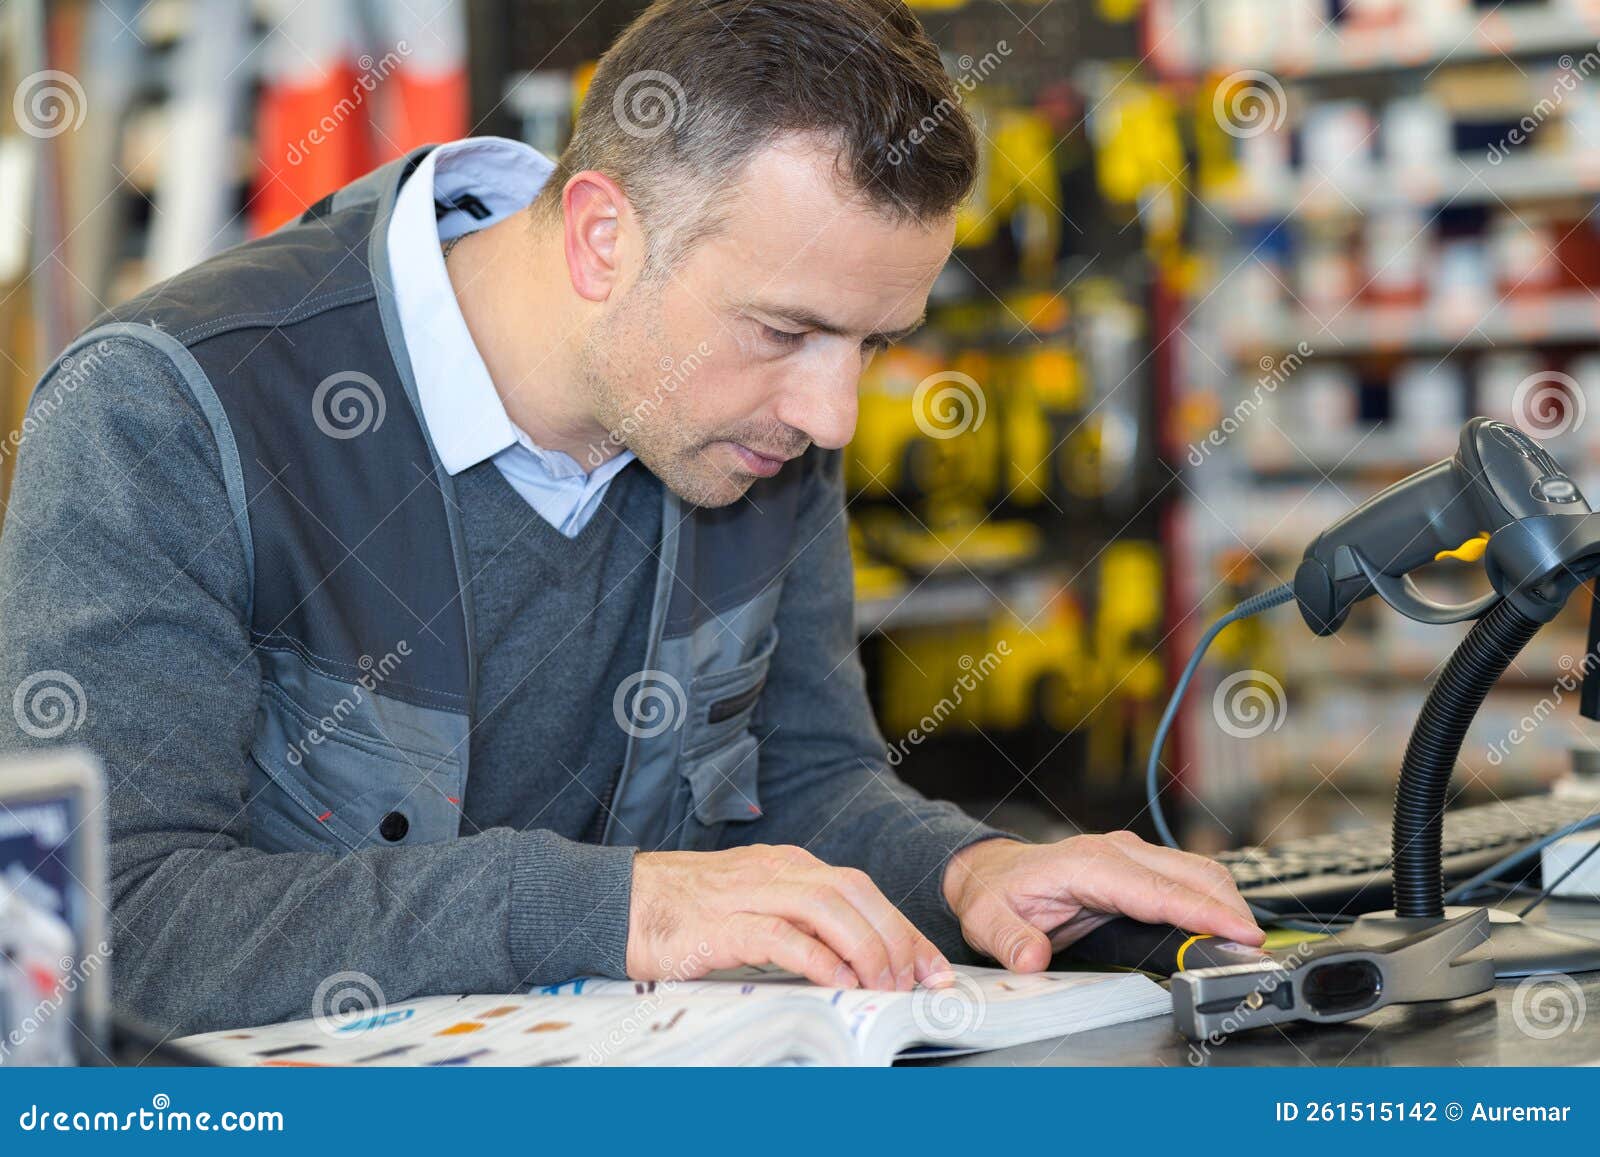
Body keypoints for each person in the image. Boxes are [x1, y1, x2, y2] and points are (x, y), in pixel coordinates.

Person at [0, 0, 1260, 1035]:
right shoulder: (170, 409)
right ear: (603, 235)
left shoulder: (749, 426)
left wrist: (961, 871)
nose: (831, 414)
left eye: (873, 343)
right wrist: (611, 906)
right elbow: (109, 924)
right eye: (786, 330)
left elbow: (801, 779)